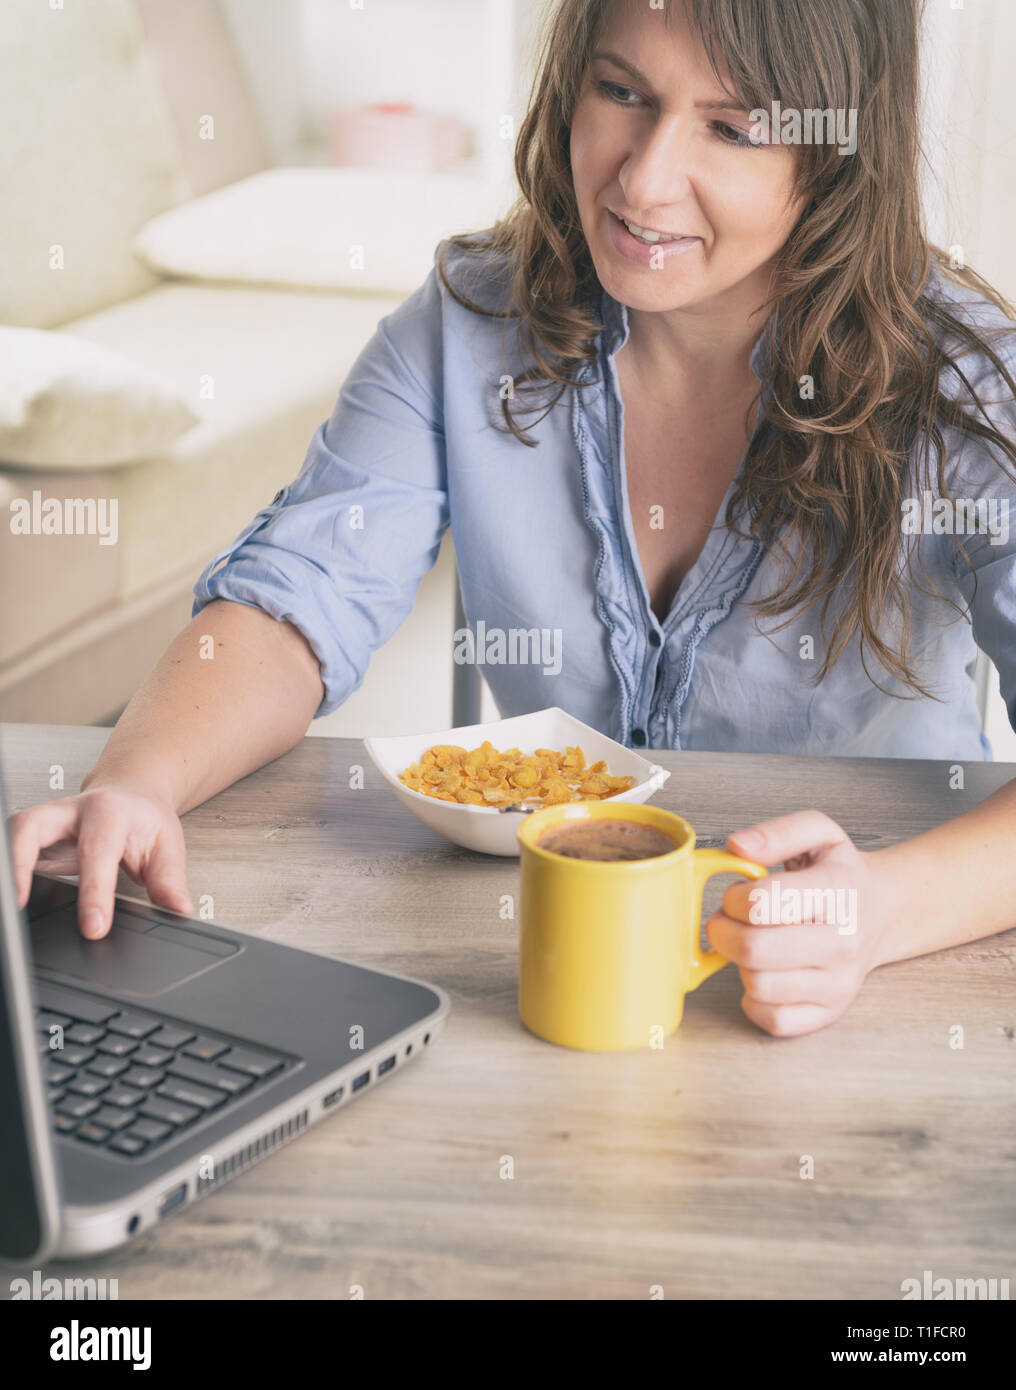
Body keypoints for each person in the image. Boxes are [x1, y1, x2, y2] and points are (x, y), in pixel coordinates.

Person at [10, 0, 1016, 1036]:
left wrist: (881, 909)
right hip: (542, 976)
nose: (641, 179)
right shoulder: (464, 325)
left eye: (733, 127)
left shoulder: (966, 382)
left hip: (883, 1000)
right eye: (620, 93)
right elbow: (291, 604)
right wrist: (136, 783)